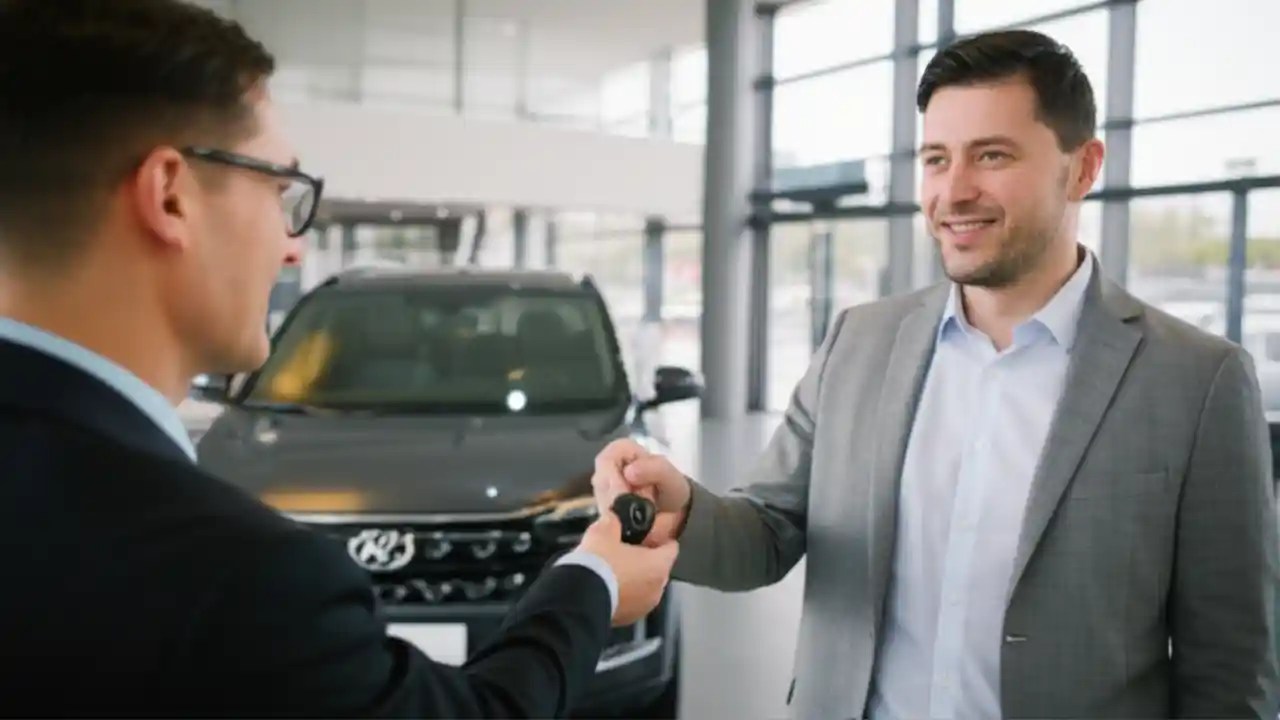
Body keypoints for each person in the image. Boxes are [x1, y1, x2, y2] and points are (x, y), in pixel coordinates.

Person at [0, 0, 678, 716]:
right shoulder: (231, 569)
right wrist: (595, 576)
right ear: (171, 197)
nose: (292, 246)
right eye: (280, 190)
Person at [595, 29, 1280, 719]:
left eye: (992, 155)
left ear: (1082, 168)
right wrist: (682, 510)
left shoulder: (1198, 382)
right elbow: (768, 530)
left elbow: (1230, 671)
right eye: (936, 158)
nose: (954, 191)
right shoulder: (859, 342)